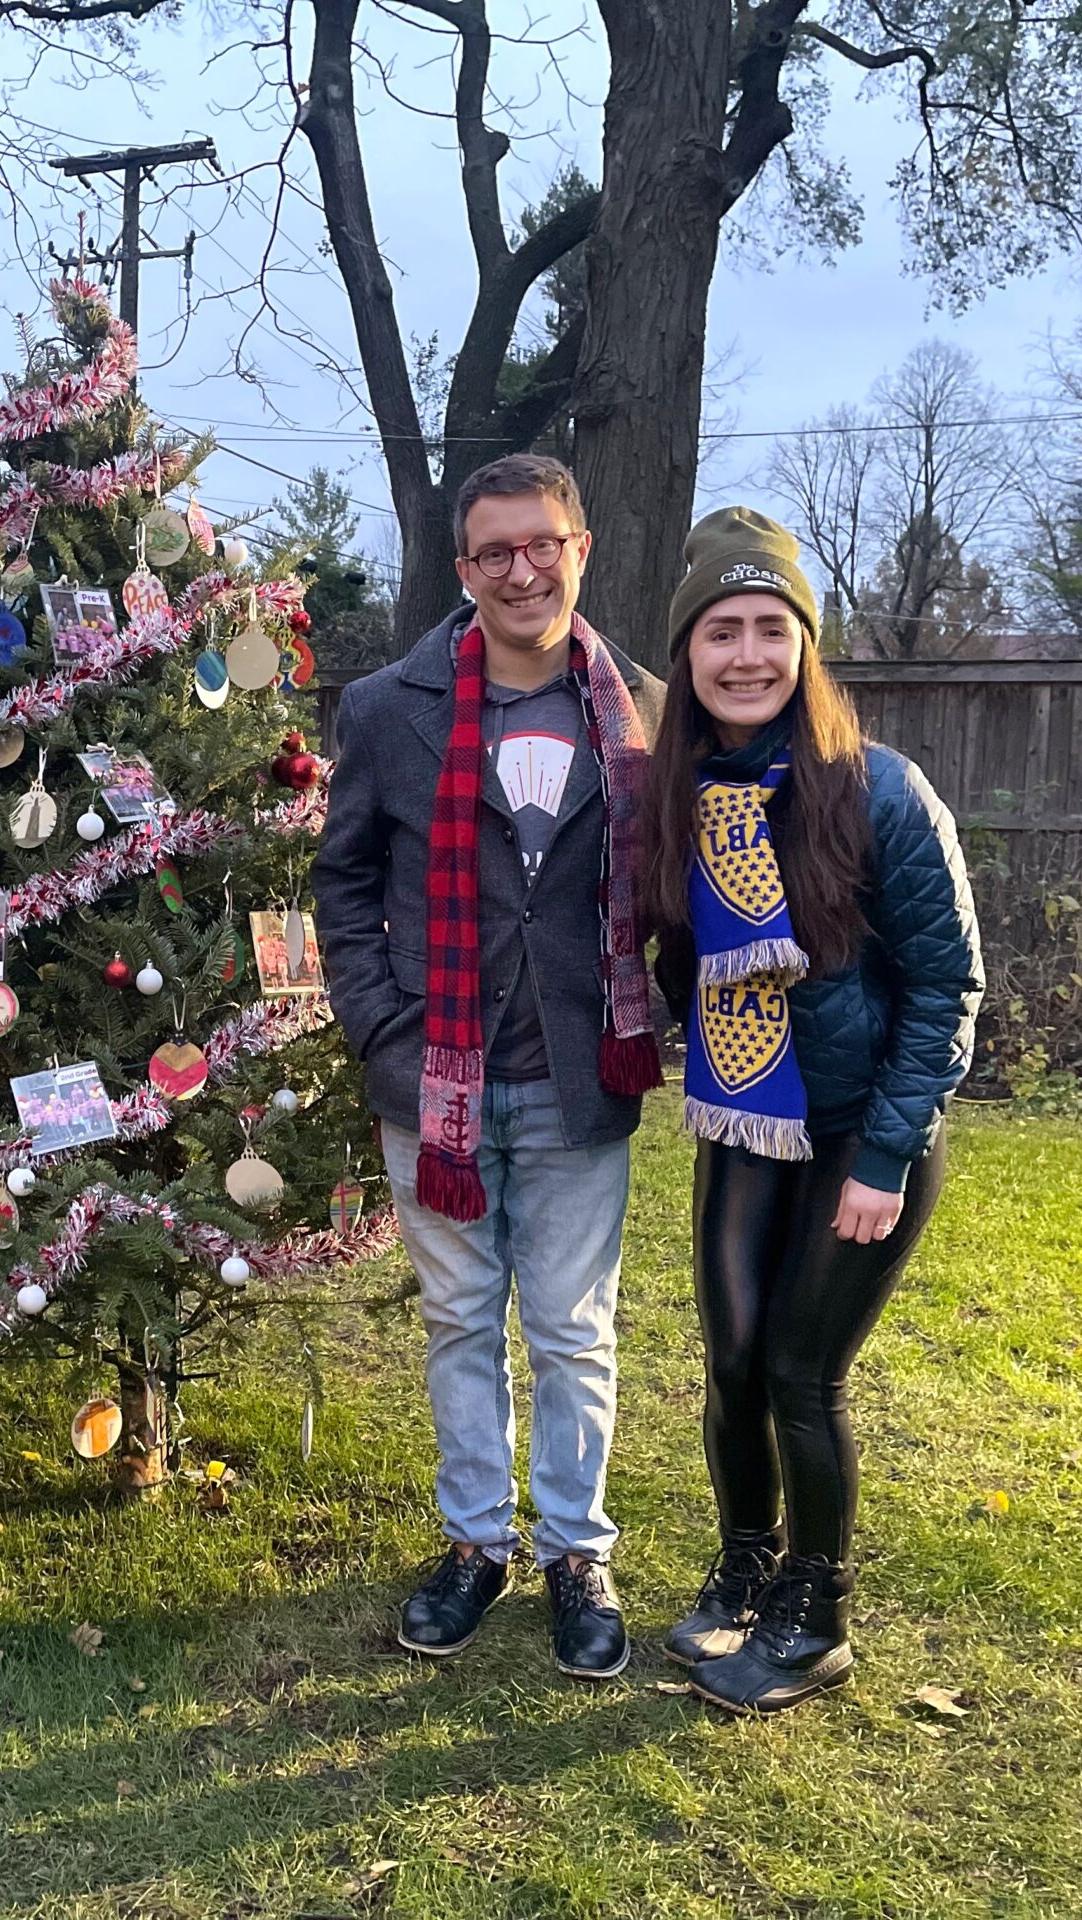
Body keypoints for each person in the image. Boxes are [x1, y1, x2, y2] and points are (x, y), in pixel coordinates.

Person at [312, 452, 664, 1681]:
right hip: (436, 1083)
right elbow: (343, 883)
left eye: (543, 544)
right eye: (495, 552)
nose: (523, 570)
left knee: (572, 1328)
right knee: (460, 1320)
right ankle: (476, 1542)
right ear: (463, 570)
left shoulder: (643, 712)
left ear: (581, 549)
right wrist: (378, 1028)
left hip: (583, 1078)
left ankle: (575, 1548)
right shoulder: (384, 708)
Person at [646, 508, 983, 1714]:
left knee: (799, 1369)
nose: (746, 654)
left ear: (805, 645)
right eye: (720, 632)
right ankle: (741, 1571)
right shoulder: (678, 800)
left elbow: (947, 987)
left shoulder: (880, 793)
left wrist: (884, 1156)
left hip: (860, 1135)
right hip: (746, 1120)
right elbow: (663, 955)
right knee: (731, 1364)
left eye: (769, 629)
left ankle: (817, 1612)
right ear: (686, 655)